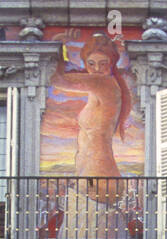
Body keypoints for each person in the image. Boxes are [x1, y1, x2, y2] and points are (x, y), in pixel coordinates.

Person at [51, 34, 131, 205]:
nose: (96, 69)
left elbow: (56, 79)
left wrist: (58, 47)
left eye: (103, 64)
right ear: (85, 63)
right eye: (91, 64)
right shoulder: (100, 87)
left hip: (100, 176)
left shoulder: (104, 83)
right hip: (95, 176)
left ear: (112, 64)